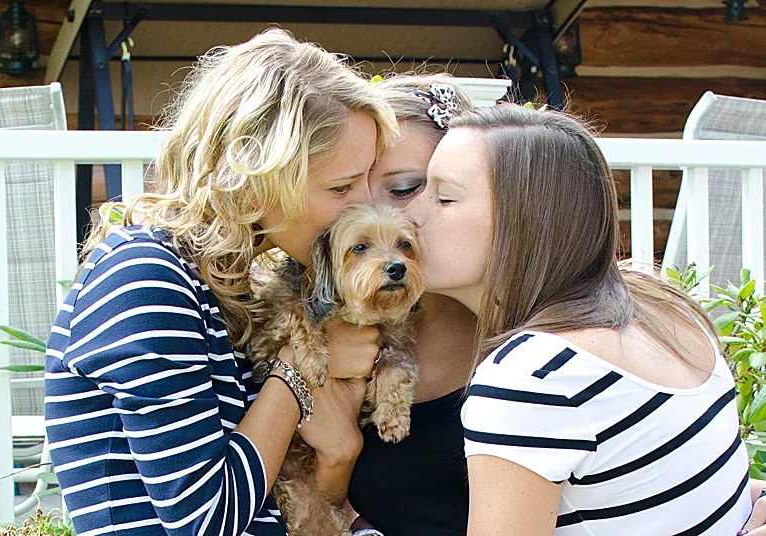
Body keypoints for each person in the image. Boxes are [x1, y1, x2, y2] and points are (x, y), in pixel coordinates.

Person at [44, 29, 398, 536]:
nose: (363, 206)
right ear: (255, 175)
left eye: (369, 180)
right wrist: (297, 365)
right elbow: (205, 519)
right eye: (341, 186)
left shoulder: (237, 287)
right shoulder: (144, 276)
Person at [403, 103, 754, 535]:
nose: (411, 214)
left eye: (444, 197)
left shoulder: (533, 376)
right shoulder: (657, 303)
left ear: (526, 220)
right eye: (415, 189)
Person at [345, 74, 476, 536]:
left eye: (403, 189)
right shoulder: (329, 330)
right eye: (351, 189)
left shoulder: (534, 327)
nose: (380, 214)